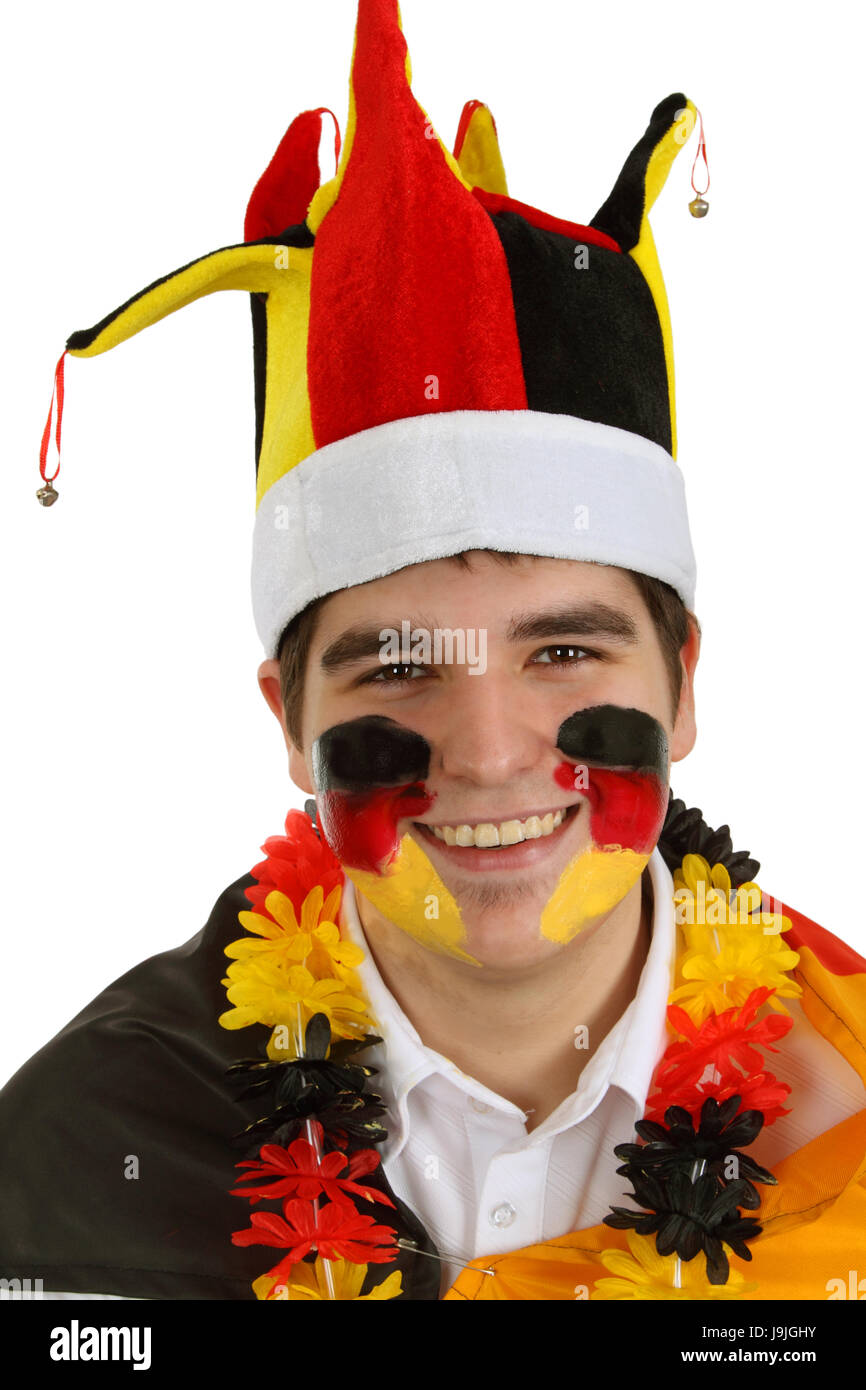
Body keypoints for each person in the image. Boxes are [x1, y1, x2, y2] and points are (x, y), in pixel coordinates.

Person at [4, 0, 865, 1302]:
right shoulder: (78, 1160)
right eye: (397, 665)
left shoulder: (845, 1099)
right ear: (286, 717)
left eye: (564, 649)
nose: (487, 748)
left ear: (682, 683)